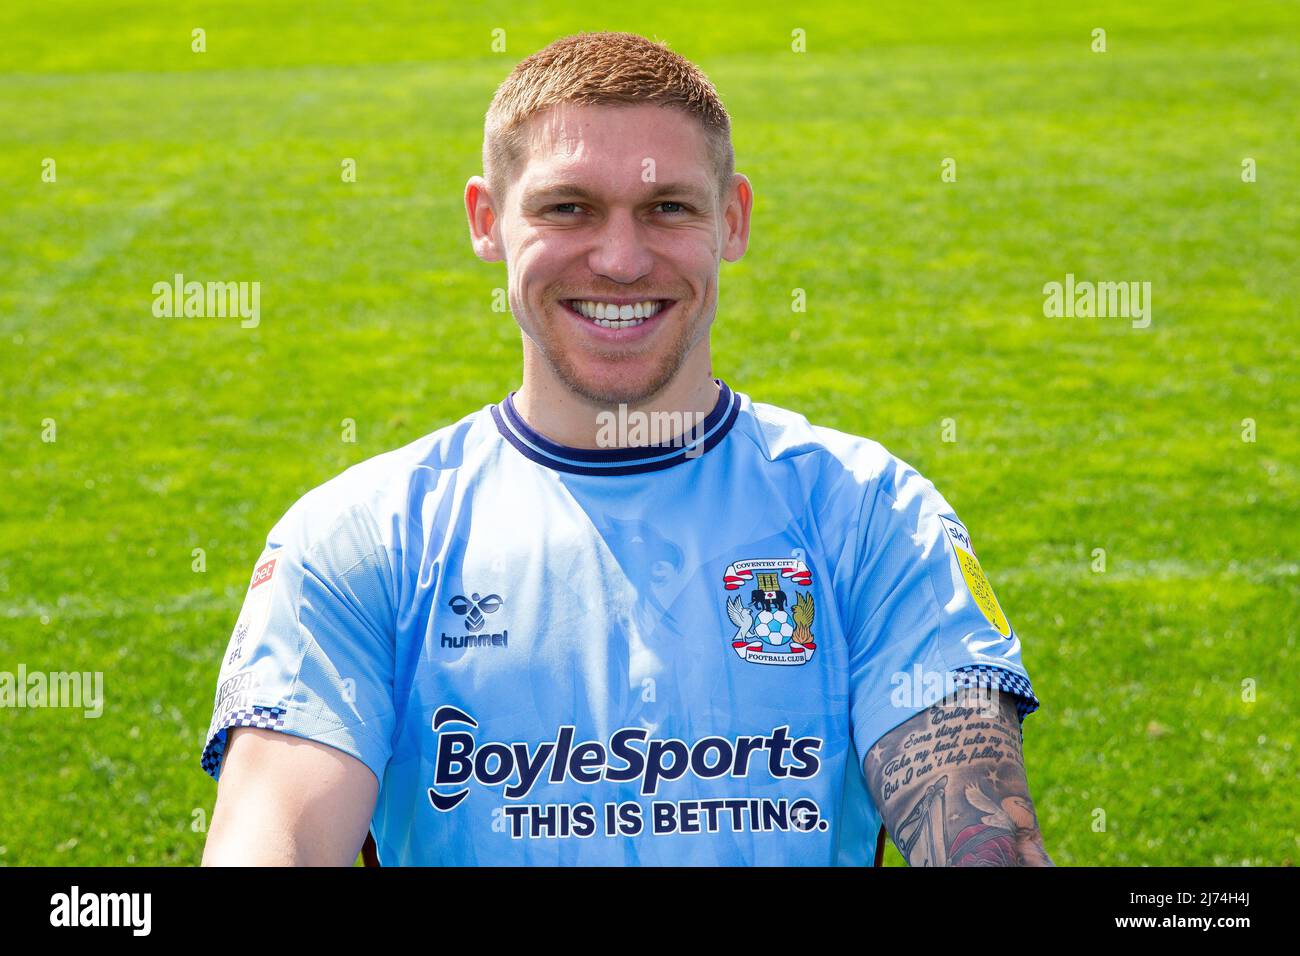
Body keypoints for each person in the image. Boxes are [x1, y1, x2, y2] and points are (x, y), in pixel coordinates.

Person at [200, 30, 1051, 866]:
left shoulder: (873, 517)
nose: (619, 259)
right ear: (487, 220)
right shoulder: (358, 539)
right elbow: (276, 837)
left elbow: (983, 833)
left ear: (733, 219)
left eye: (667, 209)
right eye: (568, 208)